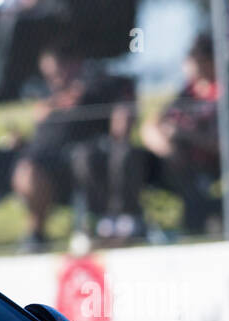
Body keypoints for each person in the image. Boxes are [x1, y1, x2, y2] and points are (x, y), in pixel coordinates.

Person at [11, 44, 136, 249]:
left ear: (75, 64)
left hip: (74, 161)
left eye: (57, 72)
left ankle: (40, 233)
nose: (54, 80)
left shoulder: (98, 85)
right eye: (48, 75)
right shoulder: (46, 96)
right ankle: (35, 235)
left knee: (34, 171)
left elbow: (118, 112)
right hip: (33, 155)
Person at [139, 33, 229, 235]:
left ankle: (201, 218)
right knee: (131, 156)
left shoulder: (228, 92)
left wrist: (183, 134)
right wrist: (166, 145)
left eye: (193, 59)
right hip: (170, 160)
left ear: (208, 61)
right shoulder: (187, 92)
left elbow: (223, 143)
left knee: (178, 154)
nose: (187, 65)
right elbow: (150, 126)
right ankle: (128, 224)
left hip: (209, 163)